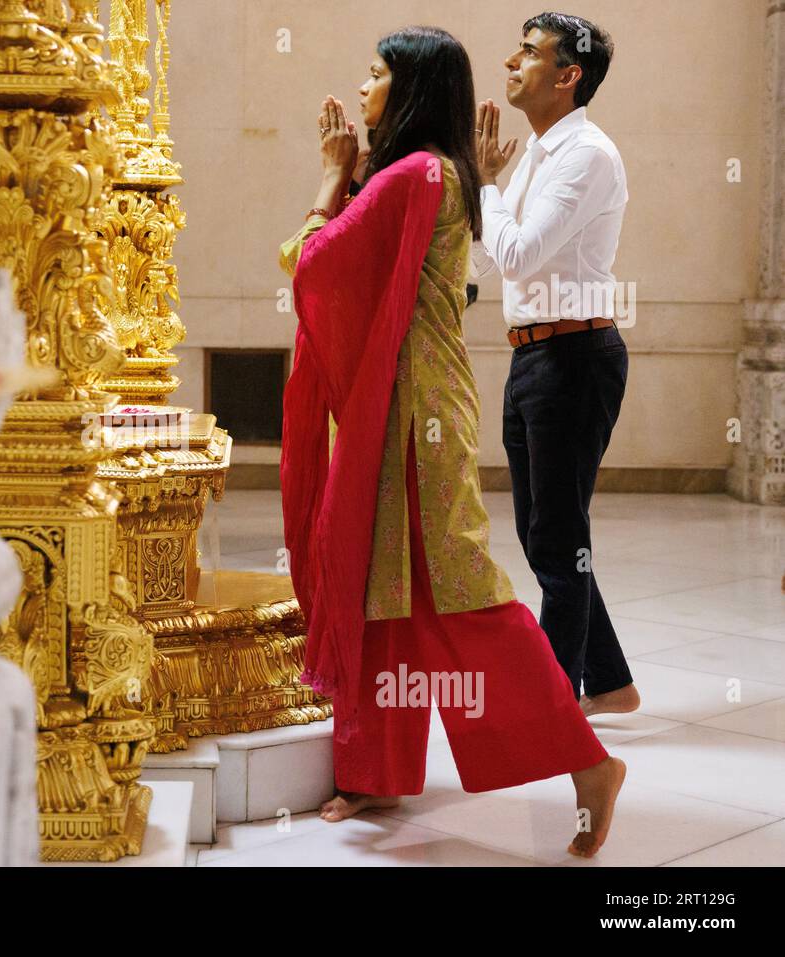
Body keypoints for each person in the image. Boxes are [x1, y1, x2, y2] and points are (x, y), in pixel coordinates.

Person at [278, 25, 624, 857]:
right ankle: (374, 766)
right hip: (414, 404)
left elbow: (308, 259)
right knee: (385, 583)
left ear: (410, 91)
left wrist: (329, 178)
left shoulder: (411, 176)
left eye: (375, 75)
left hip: (416, 417)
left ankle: (588, 761)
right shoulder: (427, 173)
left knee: (464, 593)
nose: (362, 91)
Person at [471, 12, 638, 717]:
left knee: (556, 535)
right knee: (544, 530)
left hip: (573, 355)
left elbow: (515, 253)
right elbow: (491, 261)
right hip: (536, 354)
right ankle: (610, 681)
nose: (511, 63)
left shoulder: (586, 154)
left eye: (530, 54)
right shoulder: (539, 152)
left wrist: (481, 184)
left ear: (569, 76)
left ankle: (548, 708)